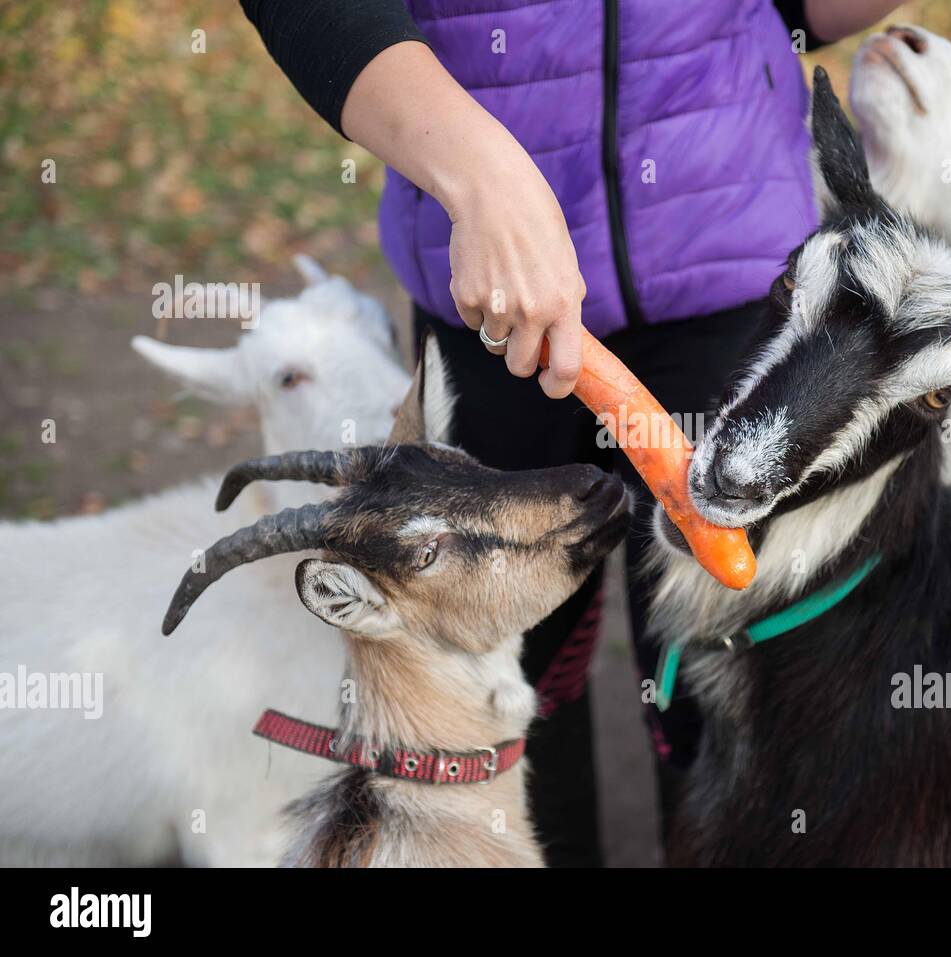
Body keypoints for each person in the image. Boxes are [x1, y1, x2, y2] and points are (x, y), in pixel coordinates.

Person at [242, 0, 902, 866]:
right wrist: (481, 175)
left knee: (729, 696)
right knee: (510, 682)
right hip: (488, 300)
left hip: (738, 277)